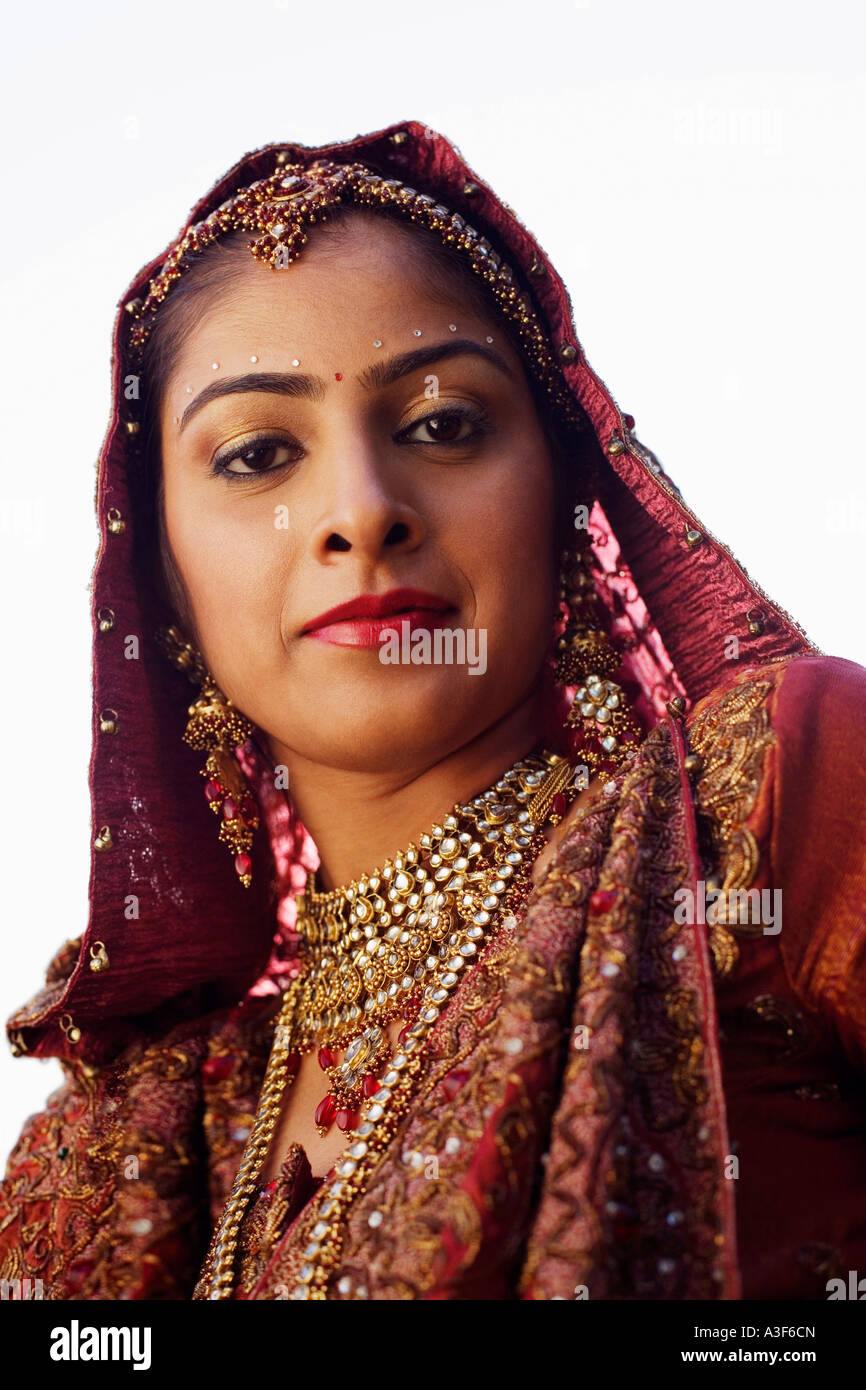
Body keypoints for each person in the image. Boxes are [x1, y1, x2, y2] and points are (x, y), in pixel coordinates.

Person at [2, 119, 865, 1303]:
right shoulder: (134, 1148)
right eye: (257, 453)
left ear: (565, 501)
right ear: (161, 588)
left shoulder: (768, 812)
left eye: (443, 423)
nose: (360, 509)